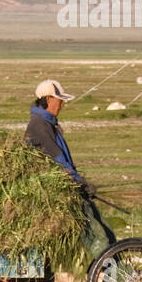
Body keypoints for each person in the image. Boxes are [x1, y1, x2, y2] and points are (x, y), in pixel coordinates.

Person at [24, 79, 114, 254]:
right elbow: (59, 161)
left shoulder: (47, 123)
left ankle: (115, 273)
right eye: (60, 100)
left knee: (106, 232)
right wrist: (79, 182)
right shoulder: (40, 126)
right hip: (61, 194)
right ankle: (115, 276)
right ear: (49, 99)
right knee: (98, 238)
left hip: (67, 189)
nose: (62, 104)